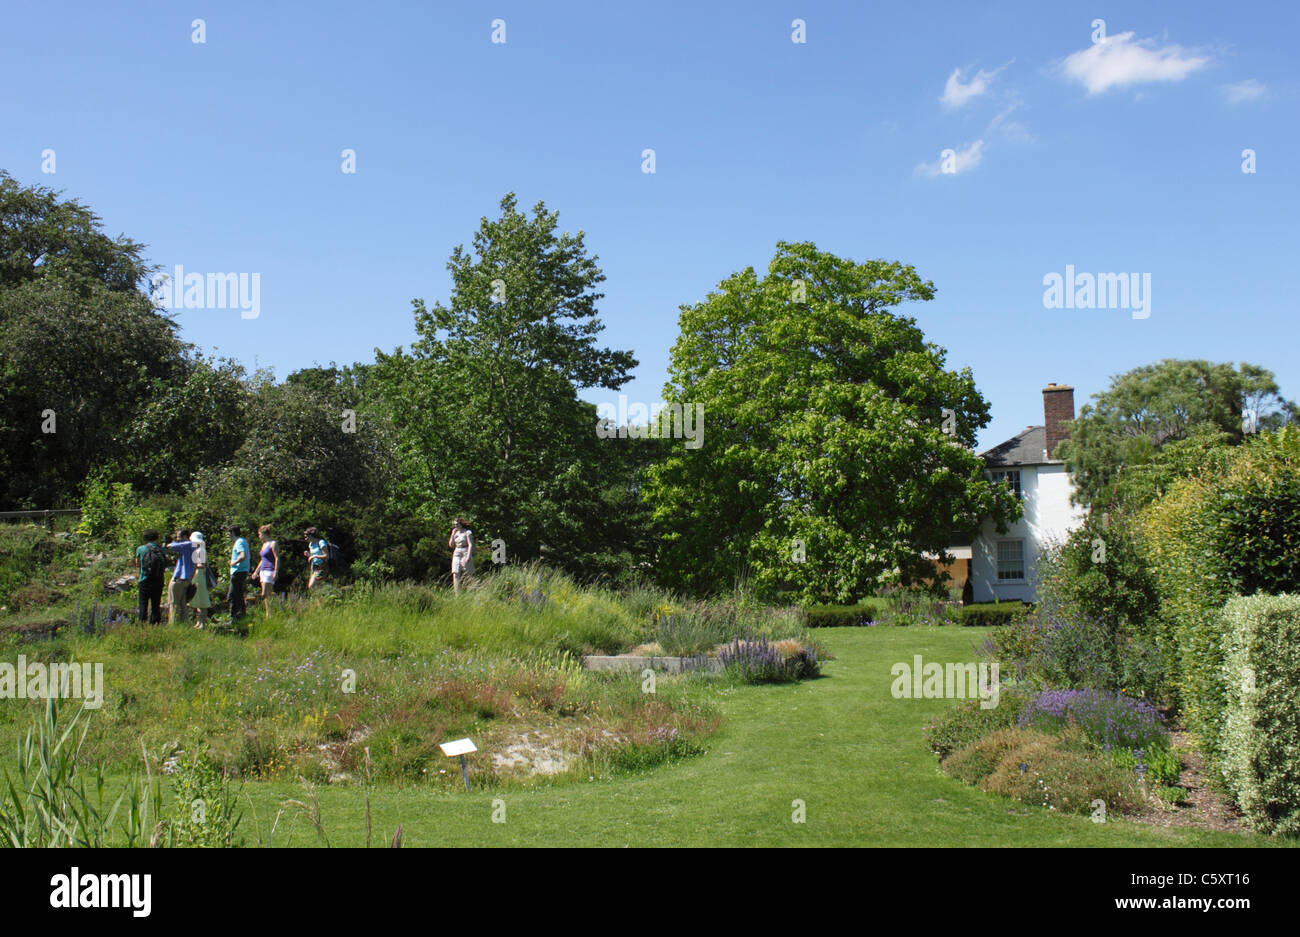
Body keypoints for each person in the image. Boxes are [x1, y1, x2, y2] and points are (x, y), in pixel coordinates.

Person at [135, 529, 166, 624]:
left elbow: (137, 563)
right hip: (158, 579)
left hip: (144, 579)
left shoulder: (141, 549)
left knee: (143, 604)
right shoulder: (161, 549)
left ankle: (141, 625)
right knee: (156, 605)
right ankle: (155, 626)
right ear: (156, 538)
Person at [165, 529, 196, 625]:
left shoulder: (186, 544)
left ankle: (173, 625)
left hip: (179, 578)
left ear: (185, 536)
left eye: (178, 536)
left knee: (173, 603)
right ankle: (184, 624)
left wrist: (171, 542)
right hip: (187, 579)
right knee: (183, 604)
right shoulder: (194, 546)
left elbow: (170, 546)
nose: (177, 539)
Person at [228, 525, 251, 622]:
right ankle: (242, 617)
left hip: (238, 571)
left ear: (232, 532)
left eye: (229, 533)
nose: (228, 535)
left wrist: (232, 563)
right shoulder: (243, 541)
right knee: (239, 595)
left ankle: (234, 619)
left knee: (232, 596)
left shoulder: (239, 542)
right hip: (243, 571)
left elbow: (242, 556)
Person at [190, 531, 212, 628]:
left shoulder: (201, 551)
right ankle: (199, 621)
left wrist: (193, 566)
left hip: (200, 576)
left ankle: (202, 622)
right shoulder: (197, 550)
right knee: (197, 600)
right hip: (196, 576)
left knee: (202, 600)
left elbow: (202, 565)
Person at [256, 524, 279, 616]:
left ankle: (274, 609)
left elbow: (277, 558)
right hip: (263, 571)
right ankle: (269, 613)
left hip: (270, 570)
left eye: (259, 534)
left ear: (264, 533)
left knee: (265, 593)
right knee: (267, 594)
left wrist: (276, 571)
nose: (259, 536)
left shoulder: (273, 544)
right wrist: (256, 571)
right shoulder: (264, 545)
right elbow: (262, 560)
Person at [448, 517, 474, 595]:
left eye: (457, 524)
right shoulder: (455, 533)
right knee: (455, 572)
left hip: (465, 551)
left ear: (461, 524)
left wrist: (468, 555)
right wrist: (452, 534)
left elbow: (470, 544)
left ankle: (471, 592)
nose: (455, 526)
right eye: (454, 524)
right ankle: (457, 594)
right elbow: (451, 545)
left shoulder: (467, 532)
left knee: (468, 573)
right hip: (457, 552)